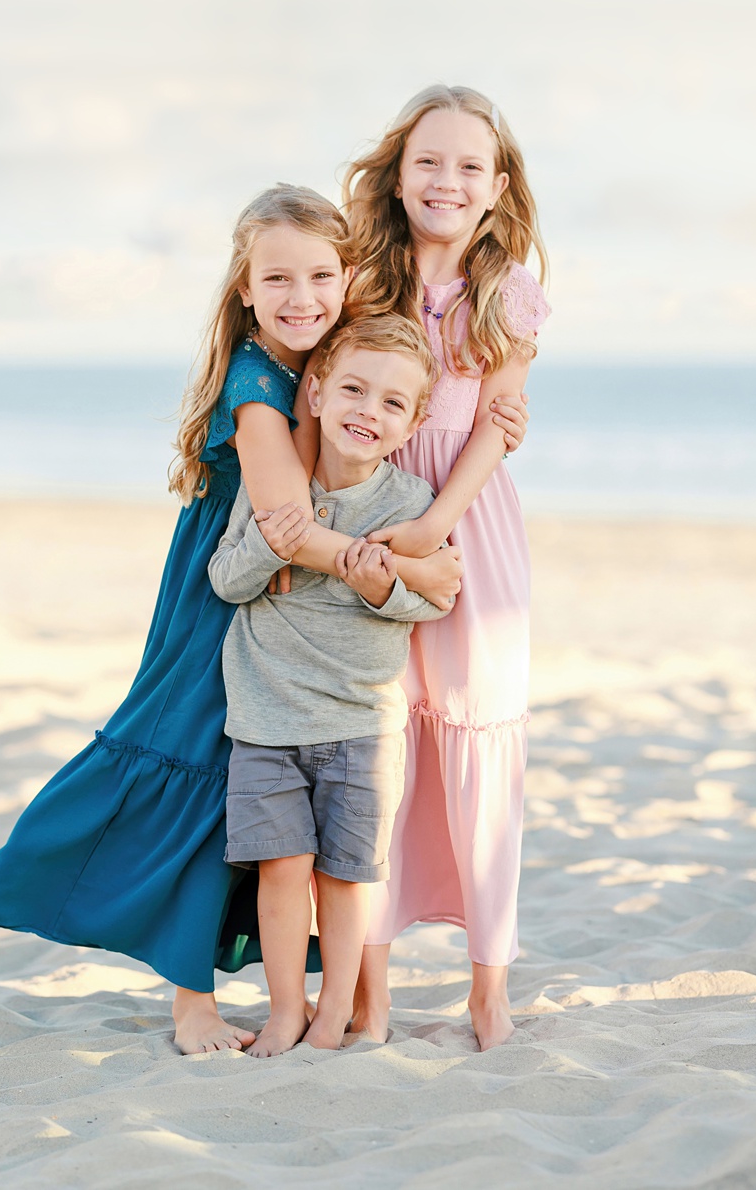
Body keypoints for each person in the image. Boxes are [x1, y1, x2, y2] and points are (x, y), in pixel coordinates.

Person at [0, 184, 464, 1055]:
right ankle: (191, 1000)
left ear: (348, 277)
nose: (301, 296)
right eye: (278, 278)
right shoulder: (259, 384)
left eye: (318, 275)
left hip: (292, 615)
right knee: (196, 760)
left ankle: (327, 999)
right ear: (244, 287)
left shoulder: (331, 359)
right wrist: (393, 560)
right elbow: (288, 524)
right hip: (222, 594)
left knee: (246, 784)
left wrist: (428, 538)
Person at [340, 84, 551, 1051]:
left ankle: (487, 992)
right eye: (430, 160)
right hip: (371, 527)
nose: (447, 181)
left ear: (497, 185)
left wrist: (434, 529)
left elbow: (496, 430)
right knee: (374, 754)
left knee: (480, 744)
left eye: (470, 165)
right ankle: (370, 994)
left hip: (469, 531)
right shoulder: (358, 277)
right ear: (398, 170)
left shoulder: (509, 296)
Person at [208, 314, 448, 1056]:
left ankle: (336, 1009)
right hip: (267, 723)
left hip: (361, 729)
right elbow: (225, 580)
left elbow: (435, 596)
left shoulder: (409, 506)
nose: (366, 412)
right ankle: (286, 1009)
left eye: (390, 403)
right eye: (352, 389)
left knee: (346, 877)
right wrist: (269, 542)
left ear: (413, 422)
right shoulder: (277, 492)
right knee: (282, 873)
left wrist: (383, 588)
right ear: (314, 392)